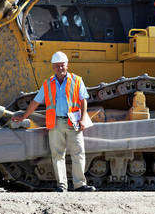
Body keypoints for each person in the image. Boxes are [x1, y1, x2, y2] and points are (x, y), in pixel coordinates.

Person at [12, 51, 96, 192]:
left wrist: (82, 118)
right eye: (56, 66)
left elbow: (83, 101)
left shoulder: (77, 80)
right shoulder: (48, 83)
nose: (60, 68)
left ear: (67, 65)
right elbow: (35, 102)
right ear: (53, 67)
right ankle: (62, 186)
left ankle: (80, 184)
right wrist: (24, 117)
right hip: (55, 123)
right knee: (58, 155)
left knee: (78, 153)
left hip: (73, 122)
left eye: (62, 65)